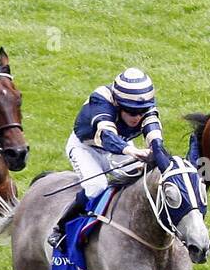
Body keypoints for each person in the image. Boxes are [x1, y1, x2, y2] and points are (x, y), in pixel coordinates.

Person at [48, 68, 173, 248]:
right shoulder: (101, 100)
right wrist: (131, 151)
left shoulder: (146, 107)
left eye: (141, 112)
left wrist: (165, 166)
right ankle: (60, 229)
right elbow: (106, 135)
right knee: (96, 186)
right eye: (131, 112)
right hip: (86, 147)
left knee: (145, 178)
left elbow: (155, 141)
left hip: (118, 149)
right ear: (119, 105)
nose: (137, 117)